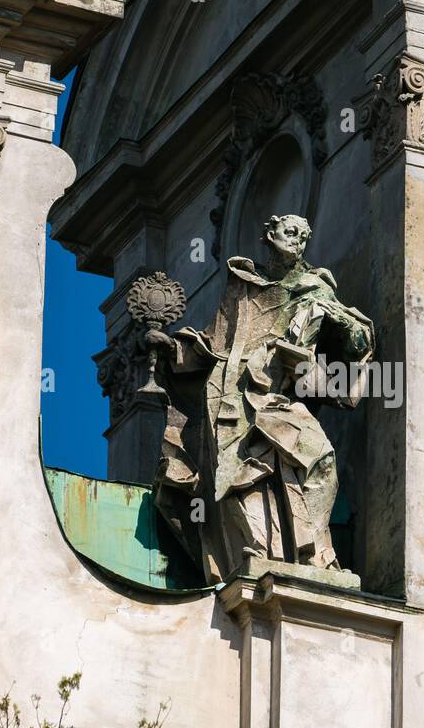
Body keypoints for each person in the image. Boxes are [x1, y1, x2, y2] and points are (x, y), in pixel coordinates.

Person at [146, 214, 375, 581]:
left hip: (280, 396)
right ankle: (260, 551)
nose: (297, 241)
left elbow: (359, 342)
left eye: (303, 236)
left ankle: (314, 553)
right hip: (232, 396)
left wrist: (343, 321)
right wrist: (173, 349)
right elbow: (212, 344)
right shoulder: (243, 286)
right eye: (290, 232)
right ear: (269, 234)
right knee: (242, 476)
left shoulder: (316, 287)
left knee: (320, 460)